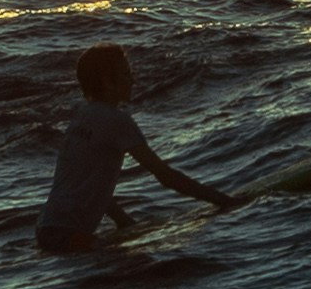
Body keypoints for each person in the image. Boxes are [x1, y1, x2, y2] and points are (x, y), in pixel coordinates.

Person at [36, 43, 232, 253]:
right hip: (70, 235)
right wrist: (224, 201)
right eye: (126, 73)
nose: (132, 80)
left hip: (46, 229)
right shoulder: (116, 120)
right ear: (107, 81)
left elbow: (87, 183)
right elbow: (164, 175)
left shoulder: (82, 115)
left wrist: (124, 222)